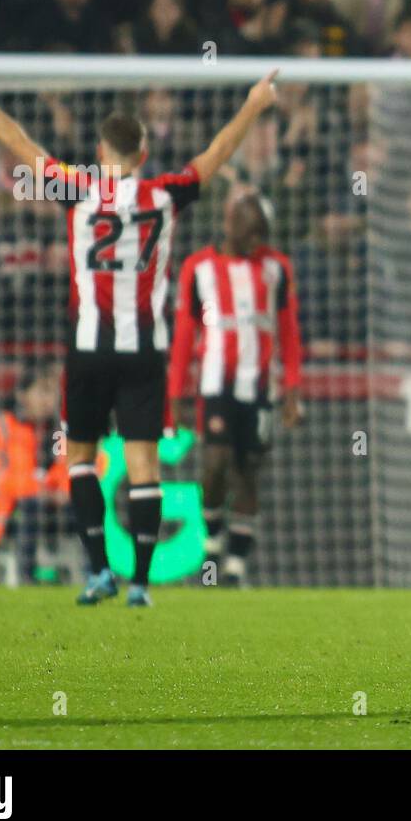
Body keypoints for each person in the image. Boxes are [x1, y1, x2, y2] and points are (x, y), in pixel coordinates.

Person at [0, 55, 278, 607]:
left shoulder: (76, 189)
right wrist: (252, 104)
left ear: (100, 154)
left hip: (89, 350)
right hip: (145, 352)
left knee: (79, 460)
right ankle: (141, 582)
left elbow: (18, 140)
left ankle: (99, 571)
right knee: (143, 467)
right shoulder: (166, 195)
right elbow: (216, 154)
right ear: (143, 156)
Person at [169, 193, 304, 587]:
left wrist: (293, 393)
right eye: (251, 233)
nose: (256, 242)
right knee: (214, 464)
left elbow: (290, 333)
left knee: (247, 474)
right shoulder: (198, 268)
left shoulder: (276, 268)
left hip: (260, 387)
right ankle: (211, 544)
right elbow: (183, 335)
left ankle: (235, 570)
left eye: (262, 235)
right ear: (230, 224)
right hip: (214, 384)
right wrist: (175, 394)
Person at [0, 363, 78, 582]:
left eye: (53, 393)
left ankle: (90, 574)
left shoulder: (60, 432)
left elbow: (73, 468)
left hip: (53, 508)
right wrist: (36, 490)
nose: (49, 400)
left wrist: (64, 492)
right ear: (22, 395)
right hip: (9, 511)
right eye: (42, 392)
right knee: (31, 505)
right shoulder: (0, 427)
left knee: (85, 505)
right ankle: (24, 576)